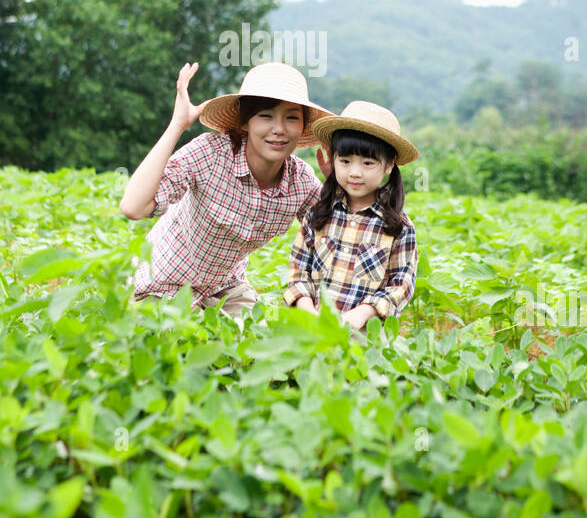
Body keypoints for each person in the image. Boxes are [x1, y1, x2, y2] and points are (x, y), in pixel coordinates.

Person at [120, 61, 333, 318]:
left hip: (226, 288)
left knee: (254, 346)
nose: (279, 129)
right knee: (181, 345)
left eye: (291, 118)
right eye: (266, 116)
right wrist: (177, 125)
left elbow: (336, 239)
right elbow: (133, 207)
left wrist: (337, 184)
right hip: (164, 283)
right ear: (245, 123)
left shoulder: (300, 182)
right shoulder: (210, 153)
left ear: (302, 127)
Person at [283, 100, 419, 333]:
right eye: (345, 161)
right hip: (309, 326)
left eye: (368, 163)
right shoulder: (318, 215)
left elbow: (401, 285)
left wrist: (361, 314)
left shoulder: (398, 227)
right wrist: (308, 311)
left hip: (362, 333)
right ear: (333, 159)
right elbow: (298, 272)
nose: (355, 172)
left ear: (388, 166)